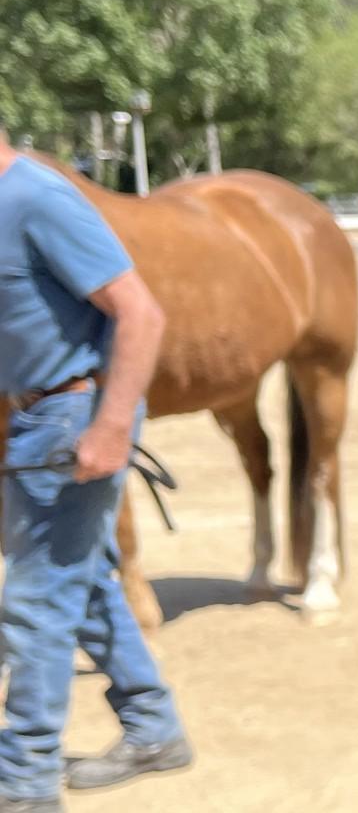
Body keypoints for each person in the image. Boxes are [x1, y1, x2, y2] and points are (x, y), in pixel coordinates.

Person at [0, 124, 191, 811]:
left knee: (35, 599)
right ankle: (152, 727)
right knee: (80, 586)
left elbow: (140, 312)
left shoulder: (36, 198)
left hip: (68, 418)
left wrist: (111, 425)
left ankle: (23, 779)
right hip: (36, 416)